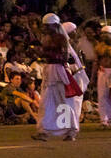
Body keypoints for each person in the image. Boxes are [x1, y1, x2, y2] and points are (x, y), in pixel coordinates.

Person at [33, 14, 78, 143]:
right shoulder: (45, 38)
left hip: (58, 70)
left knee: (64, 101)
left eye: (47, 26)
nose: (45, 28)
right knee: (46, 102)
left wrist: (45, 53)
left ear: (54, 25)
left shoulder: (61, 38)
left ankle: (70, 131)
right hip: (48, 70)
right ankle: (43, 130)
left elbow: (64, 56)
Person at [96, 26, 111, 128]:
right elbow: (96, 61)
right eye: (102, 34)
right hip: (103, 72)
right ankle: (104, 120)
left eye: (106, 34)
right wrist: (93, 77)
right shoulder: (99, 47)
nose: (103, 36)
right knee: (102, 96)